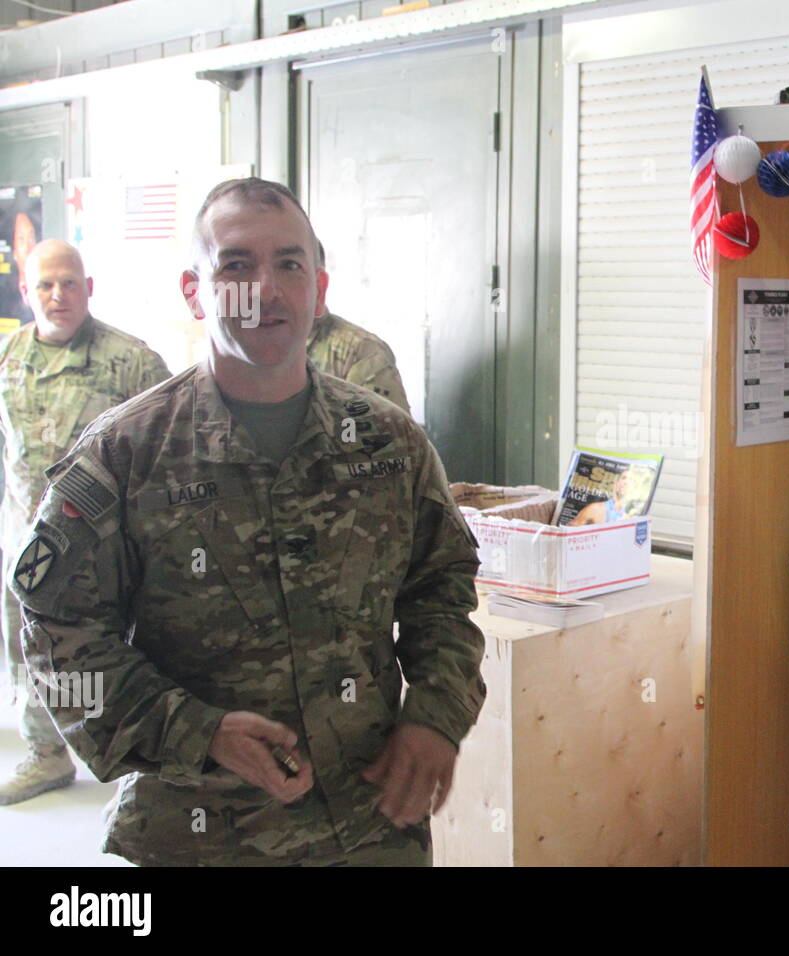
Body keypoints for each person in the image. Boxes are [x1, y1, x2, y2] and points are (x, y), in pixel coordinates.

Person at [12, 178, 486, 865]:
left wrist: (436, 715)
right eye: (236, 265)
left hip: (369, 825)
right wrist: (195, 731)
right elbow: (58, 634)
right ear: (193, 291)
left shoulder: (387, 443)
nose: (265, 289)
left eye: (288, 264)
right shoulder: (127, 455)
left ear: (318, 289)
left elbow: (442, 589)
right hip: (198, 832)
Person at [0, 240, 170, 805]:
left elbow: (168, 447)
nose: (58, 295)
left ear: (89, 288)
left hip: (106, 549)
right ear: (25, 292)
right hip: (27, 545)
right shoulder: (6, 359)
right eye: (45, 285)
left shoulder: (132, 361)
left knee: (119, 650)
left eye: (69, 283)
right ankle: (46, 755)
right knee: (29, 651)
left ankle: (131, 756)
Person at [307, 242, 410, 414]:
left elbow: (384, 436)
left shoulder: (362, 351)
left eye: (290, 267)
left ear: (319, 286)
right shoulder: (254, 351)